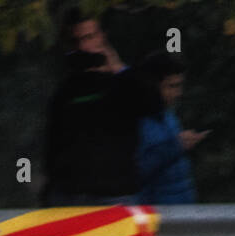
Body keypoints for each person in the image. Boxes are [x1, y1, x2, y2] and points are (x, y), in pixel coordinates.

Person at [42, 10, 160, 205]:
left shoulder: (124, 82)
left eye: (89, 37)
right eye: (77, 41)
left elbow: (154, 105)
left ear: (103, 37)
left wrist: (118, 68)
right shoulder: (67, 90)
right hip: (72, 195)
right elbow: (53, 145)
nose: (84, 47)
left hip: (116, 194)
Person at [136, 53, 205, 205]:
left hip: (182, 209)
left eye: (180, 85)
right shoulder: (137, 120)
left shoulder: (168, 114)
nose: (178, 93)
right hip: (159, 214)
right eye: (172, 86)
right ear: (153, 85)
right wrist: (176, 146)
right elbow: (137, 170)